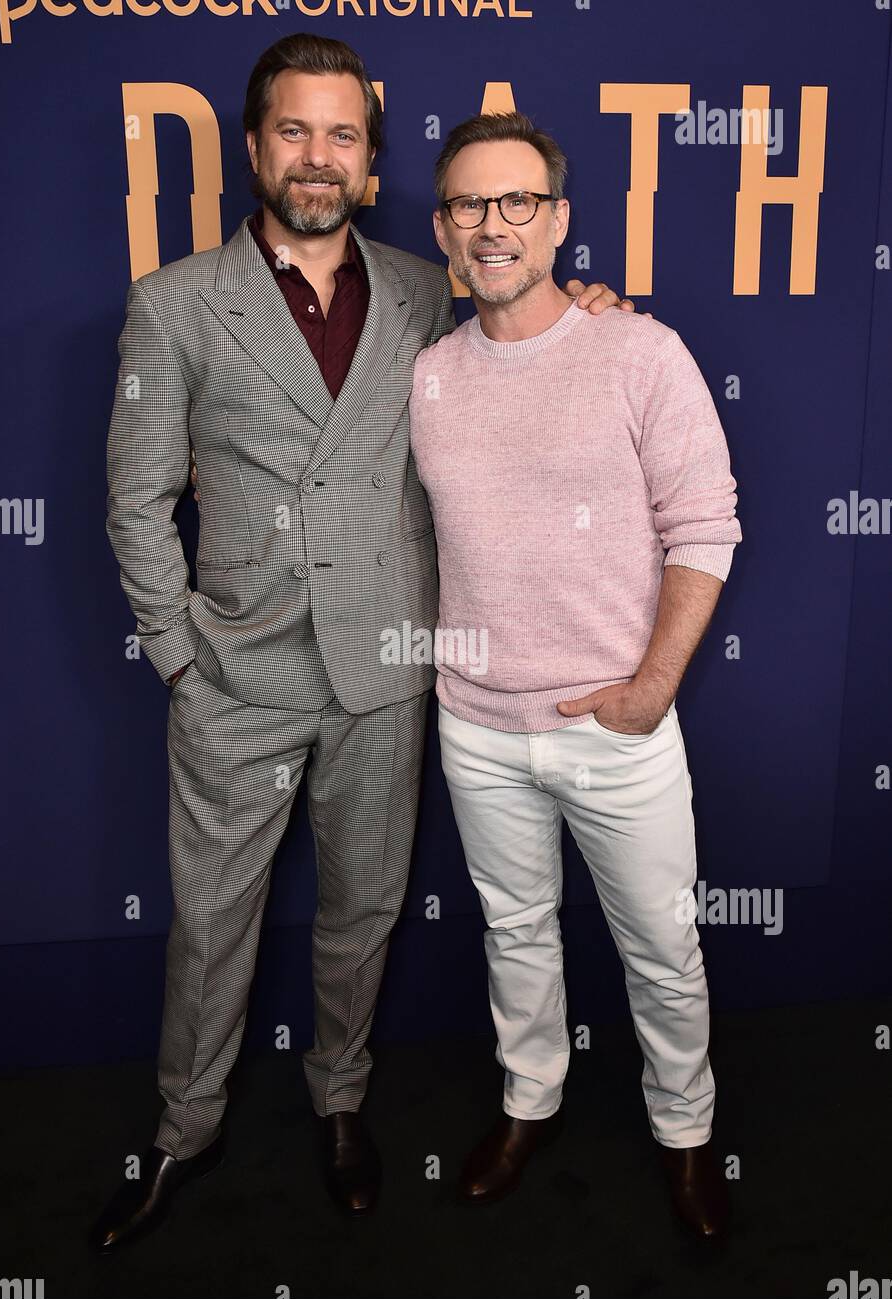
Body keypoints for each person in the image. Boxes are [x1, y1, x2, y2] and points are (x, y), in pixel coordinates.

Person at [94, 35, 630, 1252]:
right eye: (295, 130)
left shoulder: (426, 288)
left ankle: (339, 1101)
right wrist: (180, 654)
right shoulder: (175, 304)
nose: (318, 156)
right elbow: (134, 500)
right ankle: (185, 1130)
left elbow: (530, 328)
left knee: (363, 914)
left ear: (372, 162)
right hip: (235, 677)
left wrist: (591, 307)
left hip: (388, 675)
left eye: (343, 134)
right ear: (253, 145)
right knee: (211, 927)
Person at [409, 111, 742, 1238]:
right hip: (475, 726)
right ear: (443, 227)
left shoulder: (640, 352)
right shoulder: (429, 376)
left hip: (617, 727)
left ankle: (686, 1131)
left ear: (558, 220)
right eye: (468, 205)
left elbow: (704, 526)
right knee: (516, 932)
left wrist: (649, 689)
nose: (491, 226)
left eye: (516, 203)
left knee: (661, 944)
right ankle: (529, 1101)